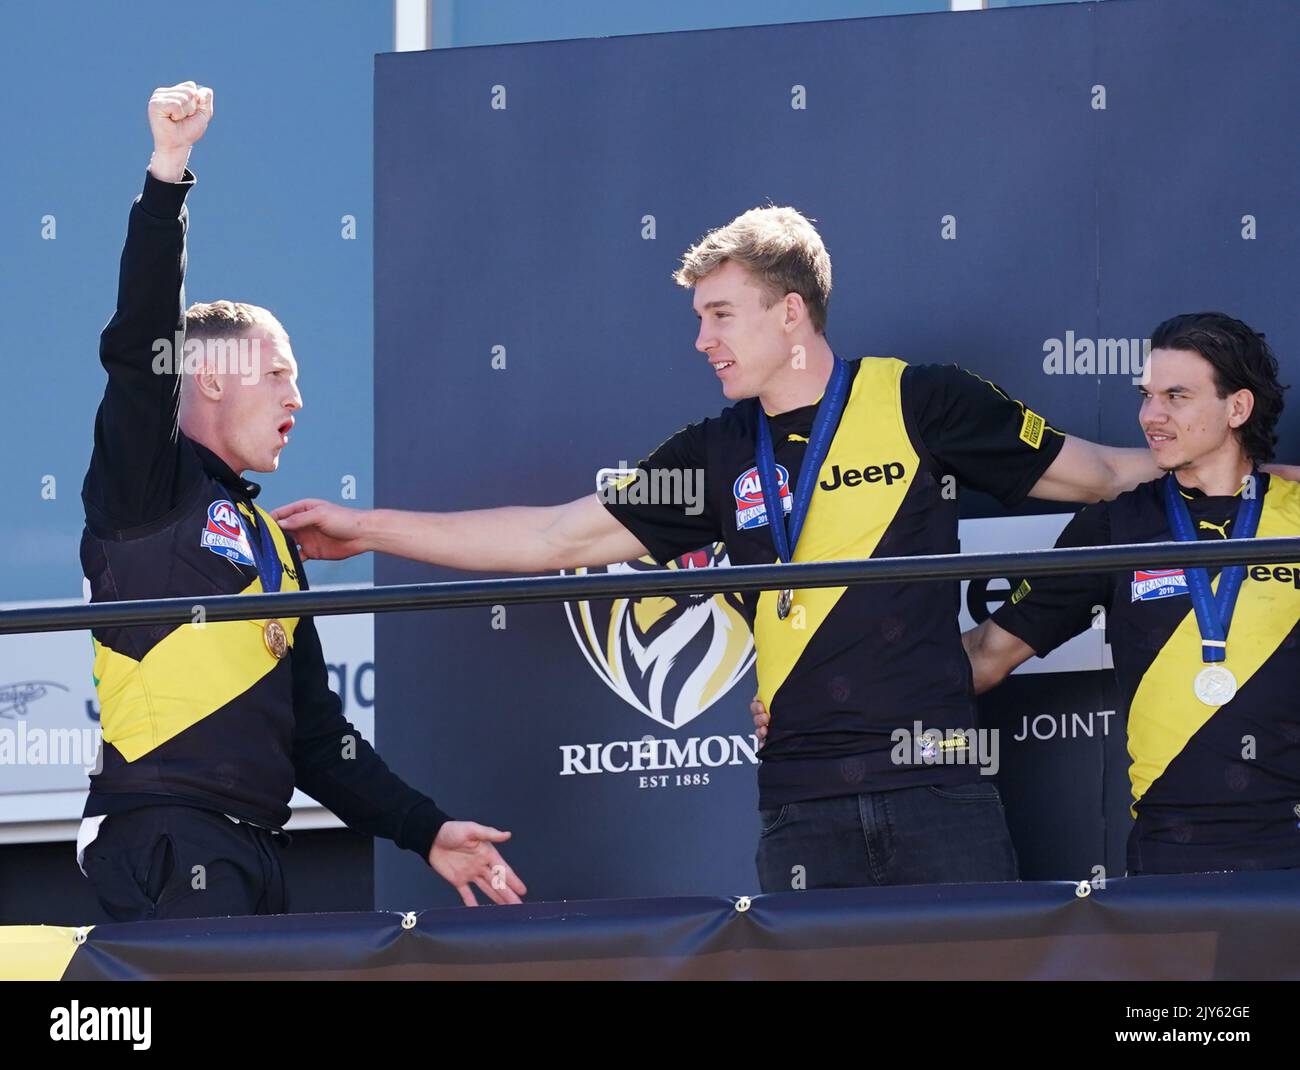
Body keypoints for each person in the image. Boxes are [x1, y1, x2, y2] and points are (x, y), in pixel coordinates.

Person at [274, 205, 1193, 894]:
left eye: (720, 315)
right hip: (798, 807)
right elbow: (558, 535)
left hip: (940, 789)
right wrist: (370, 528)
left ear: (791, 314)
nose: (701, 340)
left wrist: (1247, 464)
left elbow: (1104, 476)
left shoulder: (926, 401)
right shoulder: (717, 453)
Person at [78, 81, 525, 921]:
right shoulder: (147, 479)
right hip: (167, 837)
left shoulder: (274, 543)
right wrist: (169, 171)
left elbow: (317, 734)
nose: (298, 398)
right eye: (279, 372)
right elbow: (140, 346)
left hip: (255, 847)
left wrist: (424, 830)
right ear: (206, 376)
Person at [960, 313, 1300, 876]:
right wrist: (816, 705)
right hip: (1171, 849)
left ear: (1237, 408)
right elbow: (984, 656)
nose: (1150, 416)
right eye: (1146, 395)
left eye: (1176, 396)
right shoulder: (1116, 525)